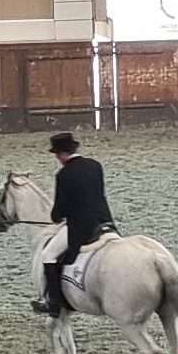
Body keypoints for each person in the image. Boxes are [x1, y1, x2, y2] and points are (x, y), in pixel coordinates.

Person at [41, 132, 115, 319]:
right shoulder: (95, 165)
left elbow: (60, 208)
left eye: (57, 155)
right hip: (104, 222)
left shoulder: (64, 174)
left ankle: (54, 303)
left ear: (61, 154)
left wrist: (55, 217)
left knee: (48, 255)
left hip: (80, 228)